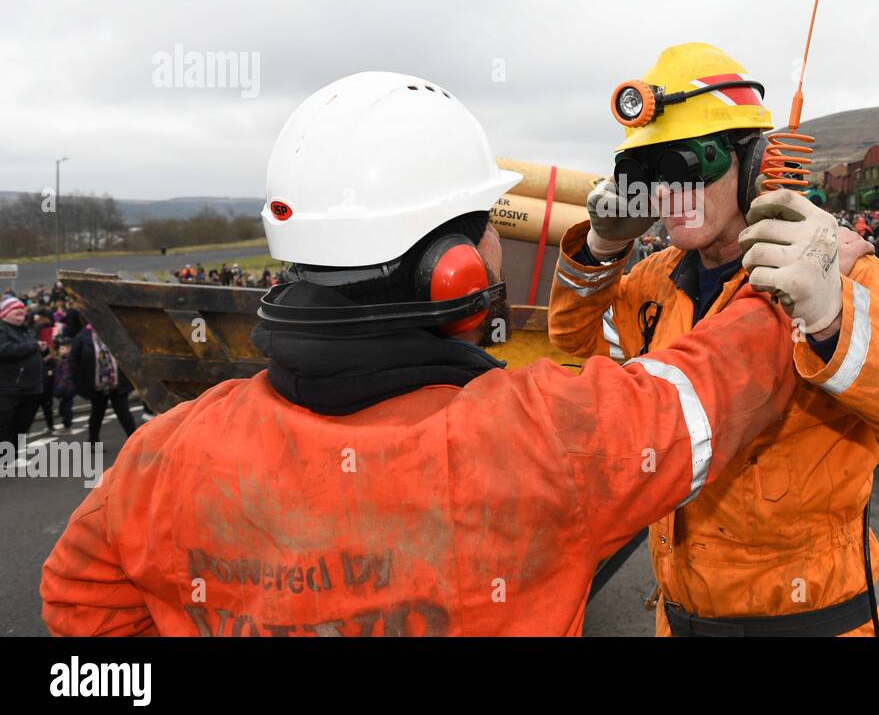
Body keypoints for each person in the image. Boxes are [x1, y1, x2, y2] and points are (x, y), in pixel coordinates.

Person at [41, 70, 831, 638]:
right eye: (486, 220)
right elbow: (701, 395)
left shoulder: (163, 458)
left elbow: (78, 605)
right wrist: (796, 275)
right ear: (449, 268)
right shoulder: (545, 442)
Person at [550, 43, 879, 637]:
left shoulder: (845, 277)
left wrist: (835, 321)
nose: (668, 189)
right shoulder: (656, 280)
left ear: (757, 163)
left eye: (690, 163)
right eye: (649, 171)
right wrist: (602, 250)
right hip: (678, 621)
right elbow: (573, 336)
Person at [63, 310, 137, 444]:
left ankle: (135, 442)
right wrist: (78, 381)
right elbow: (73, 361)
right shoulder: (82, 337)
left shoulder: (116, 332)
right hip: (95, 385)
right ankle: (93, 441)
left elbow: (129, 353)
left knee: (124, 413)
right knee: (97, 414)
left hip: (117, 383)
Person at [0, 296, 43, 462]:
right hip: (9, 388)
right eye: (14, 309)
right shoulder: (2, 330)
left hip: (30, 388)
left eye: (22, 309)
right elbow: (5, 350)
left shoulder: (26, 330)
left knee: (22, 424)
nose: (20, 312)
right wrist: (34, 346)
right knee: (4, 423)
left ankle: (12, 454)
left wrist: (42, 351)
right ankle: (5, 457)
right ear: (5, 313)